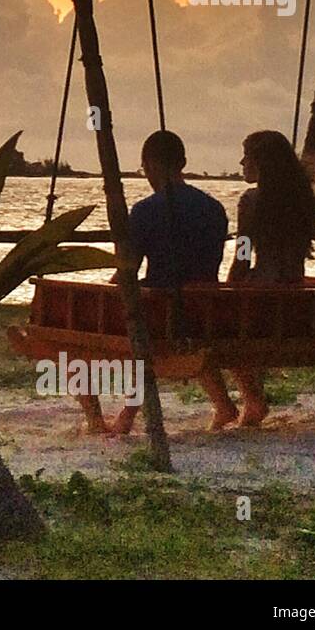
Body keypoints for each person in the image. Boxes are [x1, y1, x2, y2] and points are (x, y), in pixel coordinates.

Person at [88, 130, 229, 434]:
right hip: (206, 309)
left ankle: (105, 419)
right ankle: (223, 405)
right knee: (160, 327)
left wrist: (104, 290)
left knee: (80, 336)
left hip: (163, 310)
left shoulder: (145, 210)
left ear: (150, 165)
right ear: (183, 162)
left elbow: (128, 269)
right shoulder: (215, 209)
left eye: (144, 169)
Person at [205, 130, 315, 427]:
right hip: (294, 289)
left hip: (263, 293)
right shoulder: (304, 198)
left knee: (223, 325)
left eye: (247, 156)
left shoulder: (252, 200)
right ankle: (252, 401)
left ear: (261, 163)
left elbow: (243, 252)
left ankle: (251, 399)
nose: (242, 162)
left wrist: (229, 286)